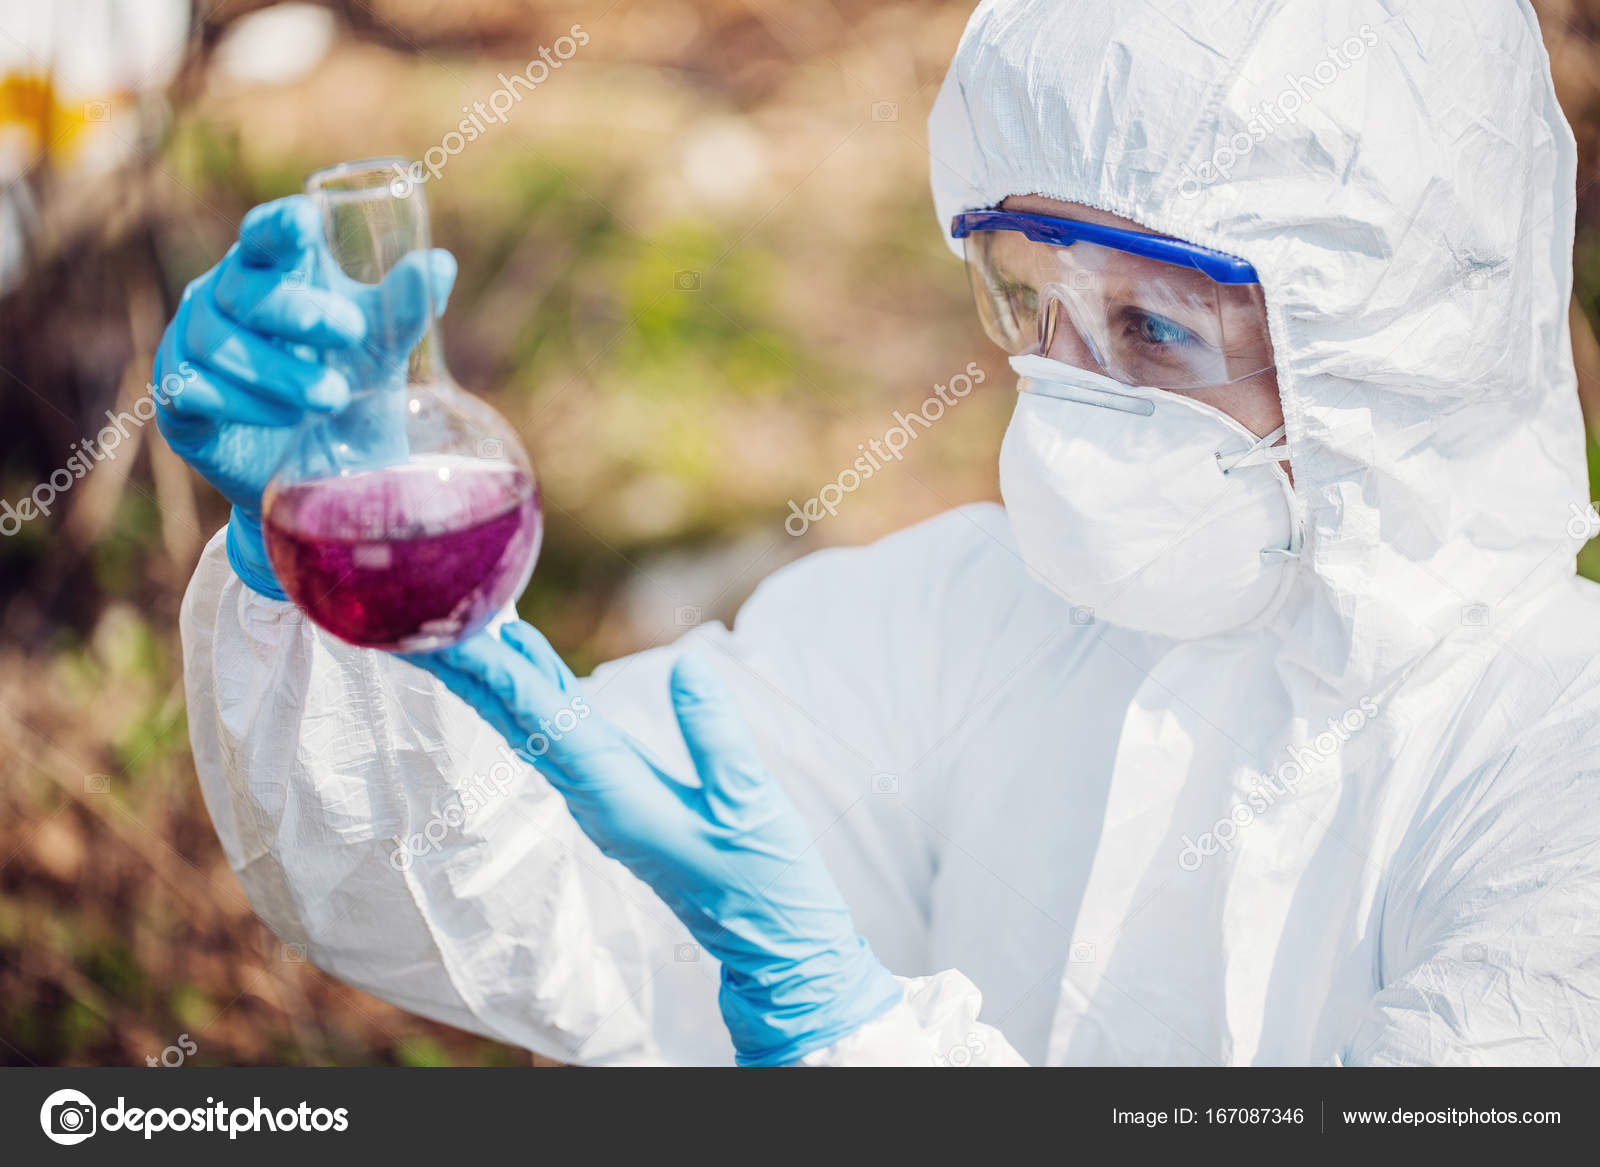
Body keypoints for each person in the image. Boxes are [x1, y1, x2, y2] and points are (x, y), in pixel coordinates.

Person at [156, 0, 1600, 1065]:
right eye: (1038, 295)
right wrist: (308, 582)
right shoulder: (983, 617)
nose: (1071, 392)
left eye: (1156, 327)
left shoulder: (1554, 775)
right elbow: (510, 901)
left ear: (1397, 353)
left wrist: (860, 1053)